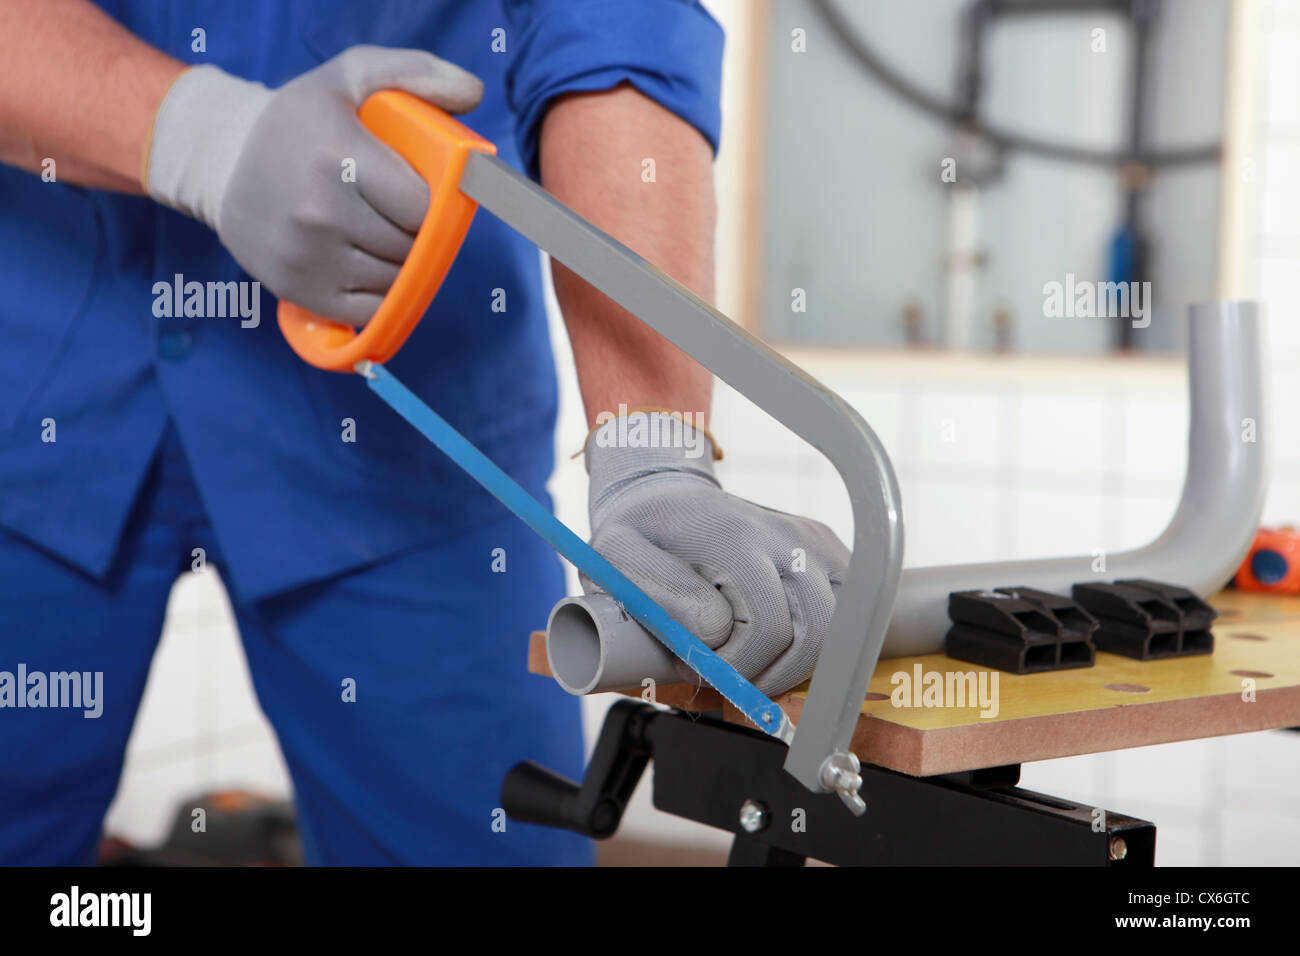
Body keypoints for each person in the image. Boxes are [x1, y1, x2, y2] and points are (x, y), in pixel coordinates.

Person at [0, 0, 849, 865]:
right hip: (33, 393)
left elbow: (613, 28)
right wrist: (202, 136)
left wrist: (651, 449)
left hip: (410, 411)